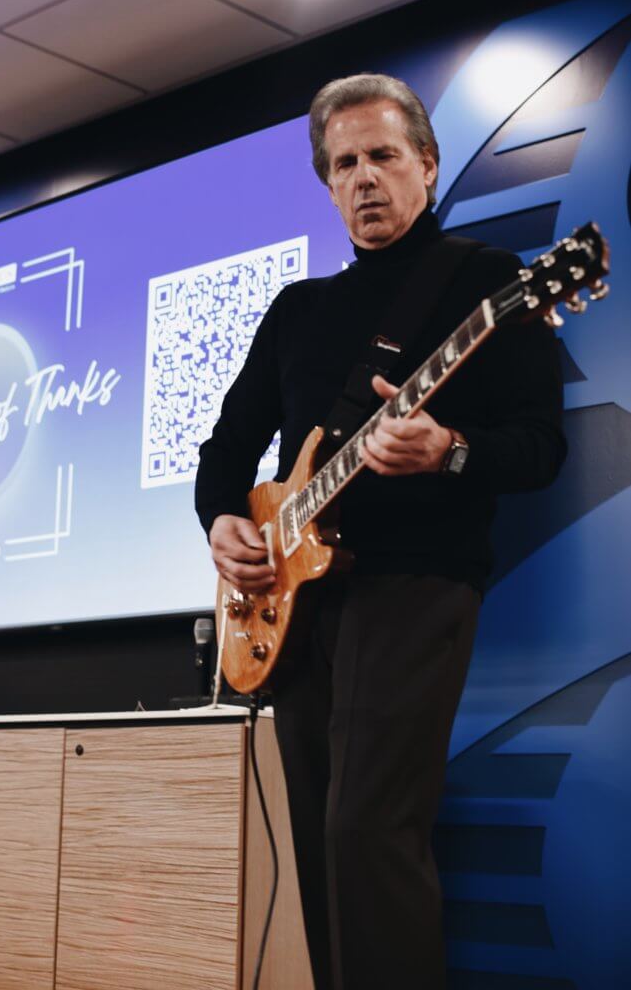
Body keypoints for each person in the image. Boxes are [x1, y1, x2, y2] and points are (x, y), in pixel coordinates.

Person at [195, 73, 566, 990]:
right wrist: (222, 523)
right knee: (323, 835)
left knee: (369, 830)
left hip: (416, 583)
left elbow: (541, 448)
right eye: (344, 163)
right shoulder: (296, 311)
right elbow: (224, 450)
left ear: (426, 168)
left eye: (383, 157)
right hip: (294, 600)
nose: (363, 178)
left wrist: (448, 451)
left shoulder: (487, 283)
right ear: (327, 184)